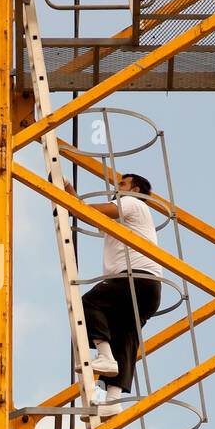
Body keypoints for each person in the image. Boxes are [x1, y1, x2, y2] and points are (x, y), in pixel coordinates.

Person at [63, 173, 162, 416]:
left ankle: (104, 354)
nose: (116, 188)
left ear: (135, 188)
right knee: (124, 336)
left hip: (134, 278)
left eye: (121, 184)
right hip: (149, 289)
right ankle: (113, 401)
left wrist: (66, 190)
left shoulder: (132, 202)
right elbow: (86, 213)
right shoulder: (125, 218)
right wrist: (70, 193)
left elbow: (85, 210)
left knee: (86, 302)